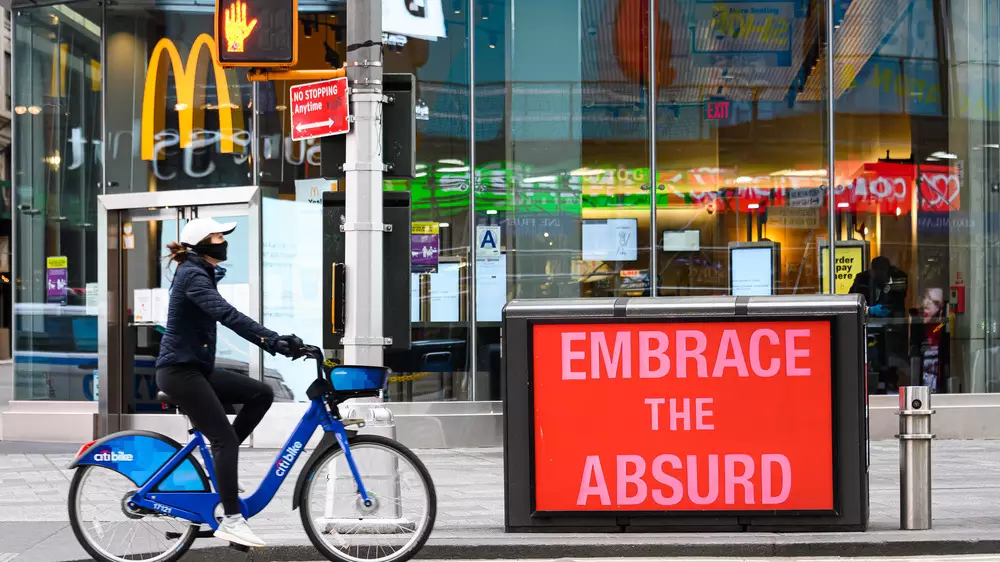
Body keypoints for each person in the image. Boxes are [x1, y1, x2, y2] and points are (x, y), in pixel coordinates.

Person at [155, 217, 302, 548]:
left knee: (262, 393)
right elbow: (227, 314)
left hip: (195, 370)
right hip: (179, 372)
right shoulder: (192, 275)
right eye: (218, 235)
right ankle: (232, 521)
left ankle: (224, 467)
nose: (223, 240)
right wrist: (272, 340)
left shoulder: (201, 272)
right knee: (225, 440)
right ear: (202, 243)